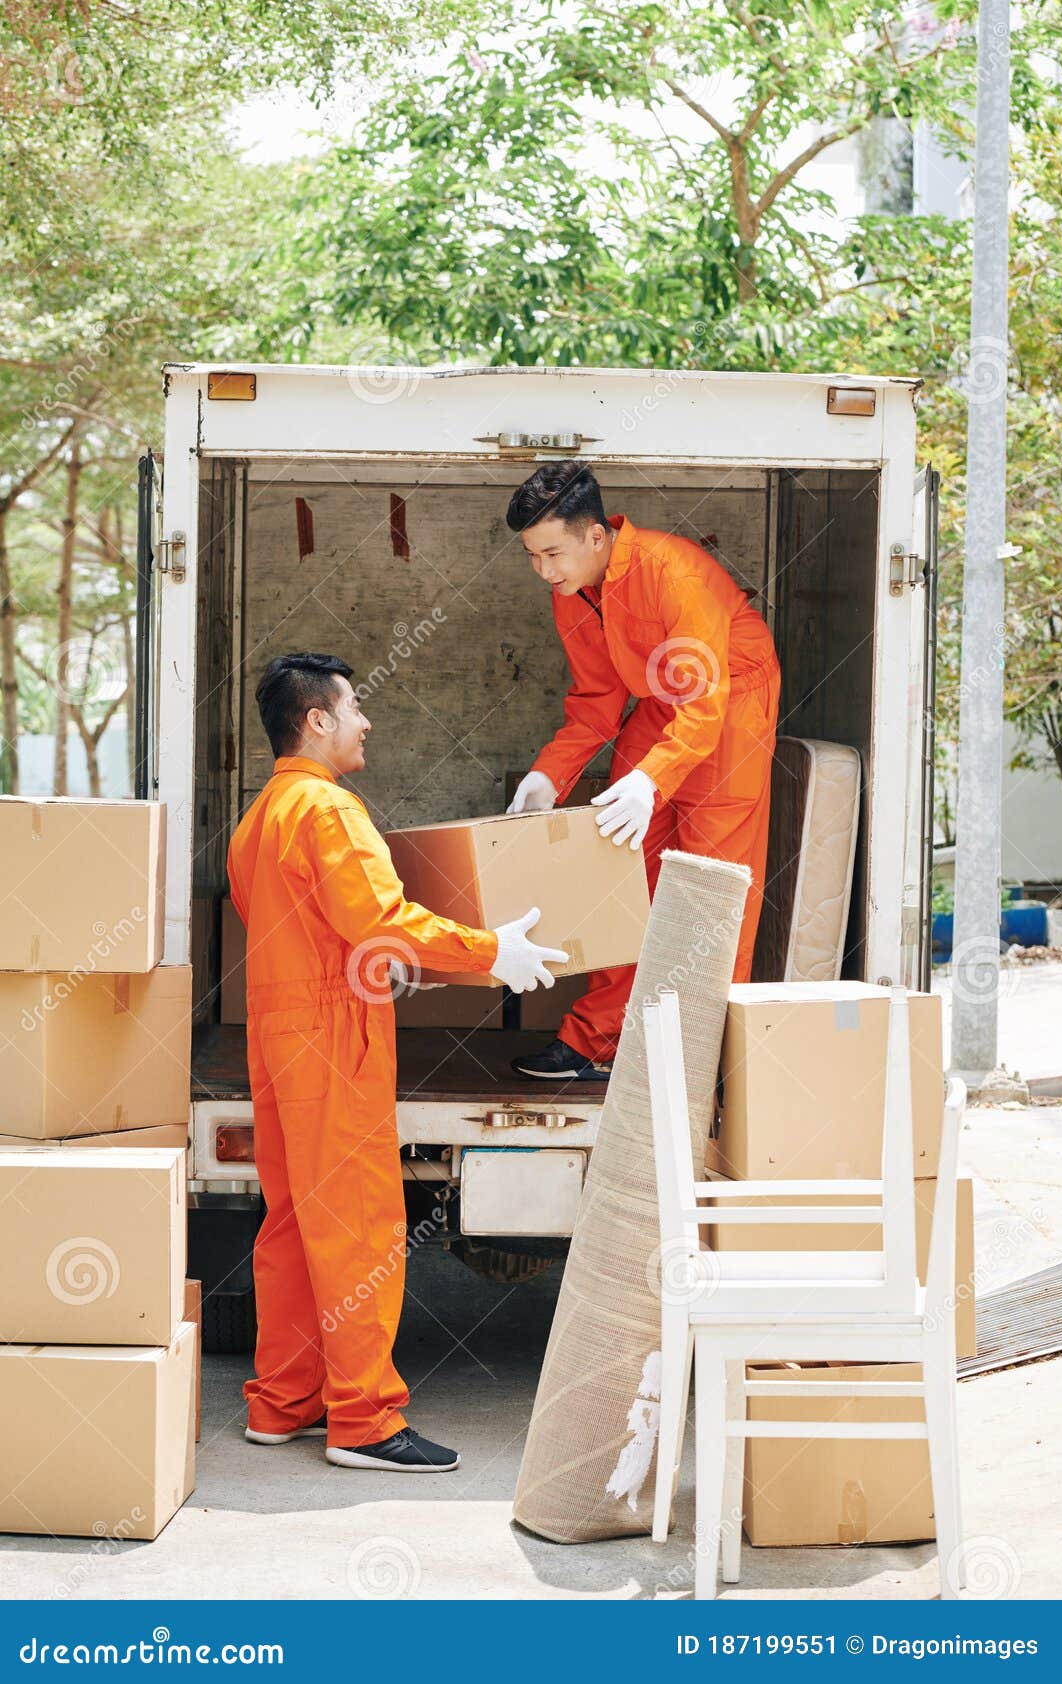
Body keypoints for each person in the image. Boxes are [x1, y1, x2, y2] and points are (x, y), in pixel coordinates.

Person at [227, 653, 565, 1472]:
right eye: (353, 708)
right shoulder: (328, 811)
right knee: (358, 1230)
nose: (365, 722)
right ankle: (366, 1424)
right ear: (316, 720)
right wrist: (490, 951)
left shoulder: (259, 817)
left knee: (294, 1225)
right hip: (333, 1034)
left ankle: (285, 1401)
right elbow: (378, 921)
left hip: (277, 1034)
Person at [505, 463, 780, 1082]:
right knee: (622, 870)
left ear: (596, 536)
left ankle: (697, 1062)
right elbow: (597, 700)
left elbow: (707, 702)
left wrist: (654, 778)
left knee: (713, 883)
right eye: (532, 556)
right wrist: (550, 775)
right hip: (663, 704)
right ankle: (597, 1040)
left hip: (731, 702)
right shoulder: (571, 592)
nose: (545, 570)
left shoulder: (671, 571)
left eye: (553, 553)